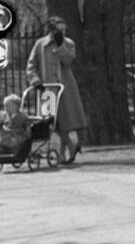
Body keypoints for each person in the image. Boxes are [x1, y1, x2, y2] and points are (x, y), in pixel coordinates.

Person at [26, 16, 87, 163]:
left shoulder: (68, 43)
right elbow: (31, 65)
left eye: (64, 30)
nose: (62, 33)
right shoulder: (40, 44)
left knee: (64, 122)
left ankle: (62, 155)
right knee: (51, 122)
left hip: (65, 88)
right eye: (59, 30)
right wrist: (35, 80)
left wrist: (60, 45)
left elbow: (68, 60)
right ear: (51, 30)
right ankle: (72, 146)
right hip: (47, 89)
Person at [0, 93, 32, 158]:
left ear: (16, 106)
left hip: (17, 136)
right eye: (5, 106)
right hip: (6, 136)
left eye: (8, 106)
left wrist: (27, 136)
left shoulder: (22, 117)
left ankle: (12, 151)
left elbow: (28, 130)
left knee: (16, 140)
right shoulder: (4, 116)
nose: (5, 108)